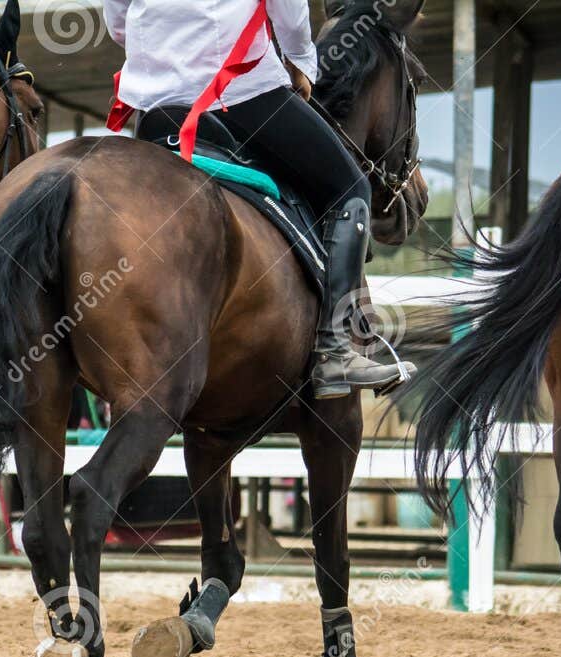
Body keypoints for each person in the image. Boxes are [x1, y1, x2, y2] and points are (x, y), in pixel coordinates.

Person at [103, 0, 414, 399]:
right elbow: (287, 8)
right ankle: (335, 350)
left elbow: (117, 21)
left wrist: (164, 46)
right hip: (241, 94)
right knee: (351, 188)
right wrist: (301, 60)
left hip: (155, 106)